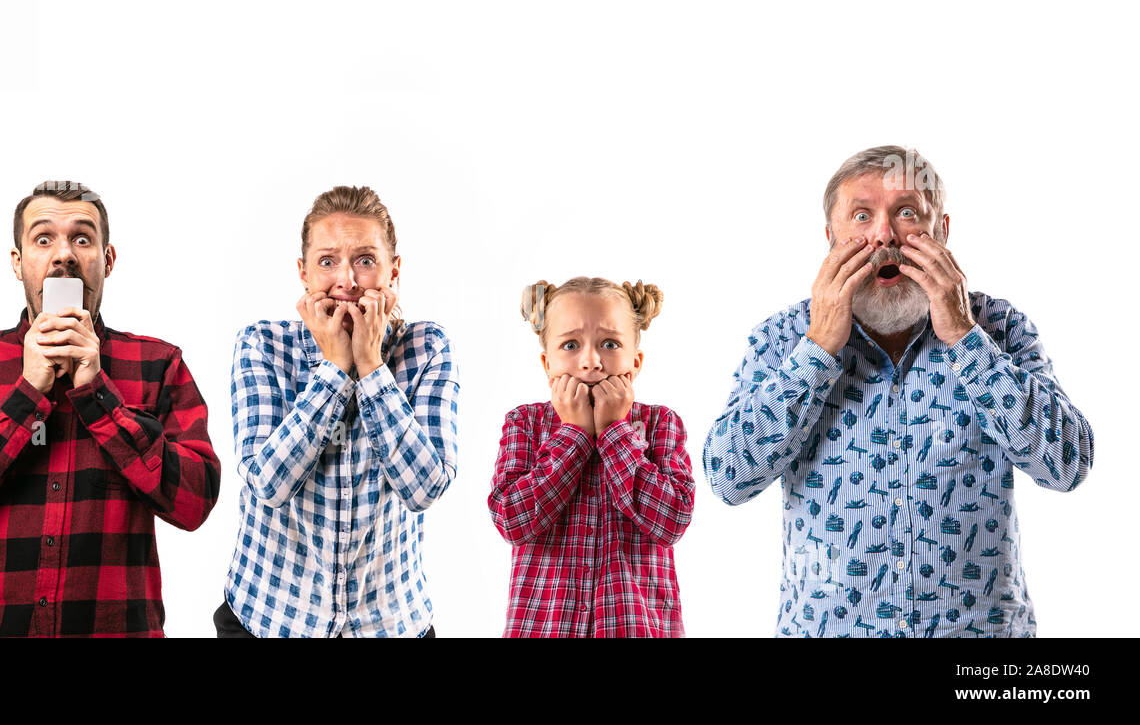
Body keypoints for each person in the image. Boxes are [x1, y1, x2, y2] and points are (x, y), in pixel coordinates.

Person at [703, 146, 1094, 637]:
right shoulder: (782, 338)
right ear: (831, 240)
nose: (884, 234)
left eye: (906, 213)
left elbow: (1067, 465)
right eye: (861, 215)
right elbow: (728, 477)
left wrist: (965, 338)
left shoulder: (1000, 327)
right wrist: (818, 348)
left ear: (943, 232)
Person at [0, 180, 221, 637]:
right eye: (43, 238)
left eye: (82, 238)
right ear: (18, 262)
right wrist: (28, 393)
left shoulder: (158, 364)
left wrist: (97, 395)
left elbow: (196, 502)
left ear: (107, 261)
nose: (63, 254)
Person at [216, 185, 458, 638]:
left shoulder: (427, 348)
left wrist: (370, 365)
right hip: (271, 618)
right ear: (304, 273)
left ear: (393, 271)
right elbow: (267, 483)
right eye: (327, 262)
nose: (346, 279)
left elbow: (425, 488)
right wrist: (333, 369)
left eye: (365, 259)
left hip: (391, 624)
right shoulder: (262, 345)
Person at [489, 277, 695, 637]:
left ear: (636, 361)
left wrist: (615, 430)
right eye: (570, 345)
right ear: (546, 363)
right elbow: (511, 520)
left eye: (610, 344)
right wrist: (574, 436)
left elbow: (672, 520)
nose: (590, 362)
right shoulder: (524, 422)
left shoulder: (661, 423)